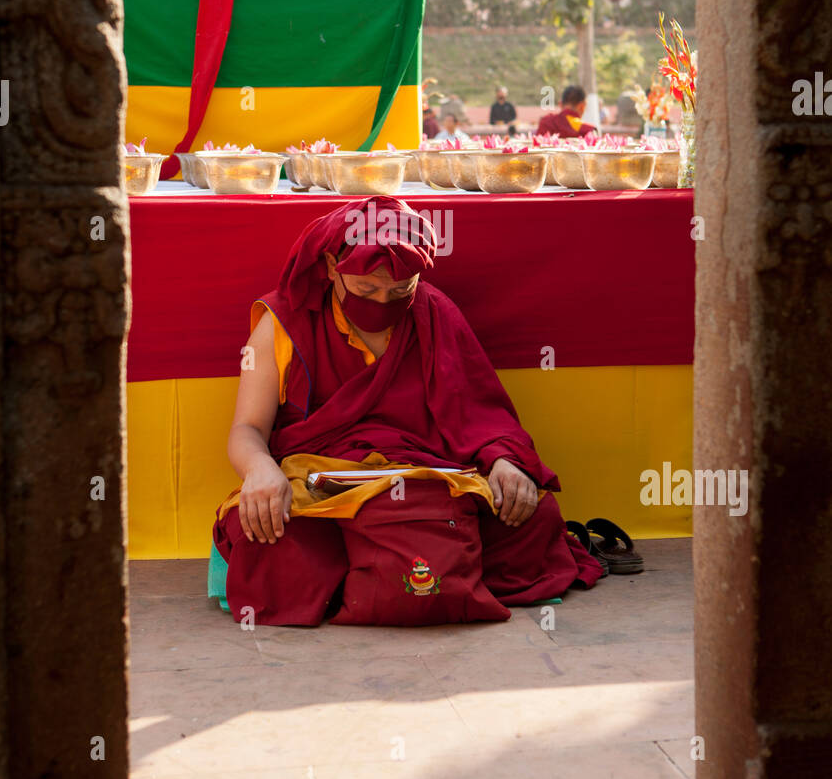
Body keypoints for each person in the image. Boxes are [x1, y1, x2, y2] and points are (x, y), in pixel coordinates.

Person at [213, 198, 603, 626]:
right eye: (365, 290)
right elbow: (247, 428)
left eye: (400, 292)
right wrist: (260, 470)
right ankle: (406, 568)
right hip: (325, 488)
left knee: (532, 514)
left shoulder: (433, 312)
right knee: (260, 534)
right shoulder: (284, 323)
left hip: (423, 479)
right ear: (329, 266)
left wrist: (505, 461)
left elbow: (479, 412)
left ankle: (356, 574)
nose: (382, 303)